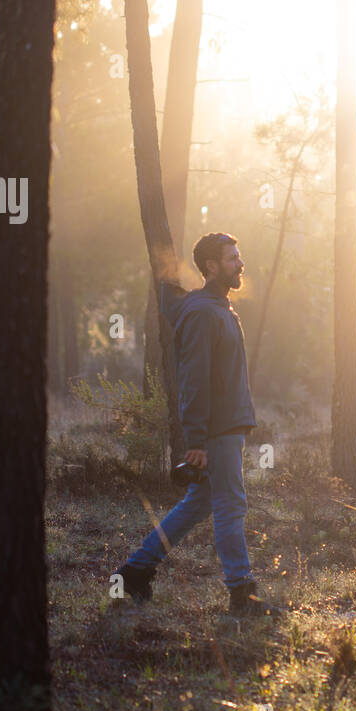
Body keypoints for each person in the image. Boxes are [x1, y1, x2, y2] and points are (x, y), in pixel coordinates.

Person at [113, 232, 281, 618]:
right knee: (230, 506)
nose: (240, 264)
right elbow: (194, 380)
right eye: (232, 258)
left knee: (198, 504)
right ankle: (242, 594)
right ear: (210, 266)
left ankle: (134, 571)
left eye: (239, 257)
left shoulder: (218, 307)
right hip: (217, 432)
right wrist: (197, 440)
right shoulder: (204, 312)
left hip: (224, 428)